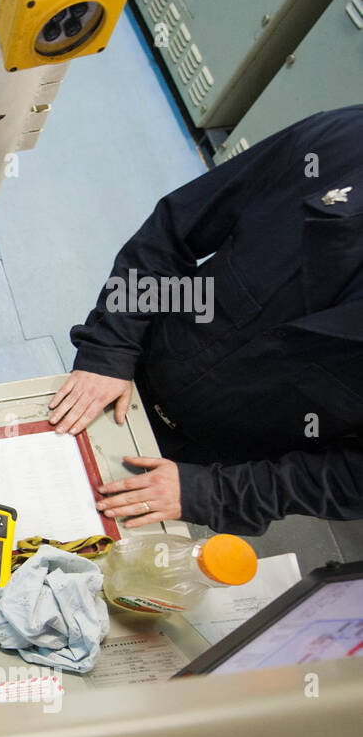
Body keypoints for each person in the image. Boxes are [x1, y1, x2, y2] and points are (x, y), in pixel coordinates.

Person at [49, 104, 363, 535]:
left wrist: (208, 493)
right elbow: (175, 229)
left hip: (210, 466)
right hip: (130, 366)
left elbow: (354, 477)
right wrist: (109, 346)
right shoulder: (343, 144)